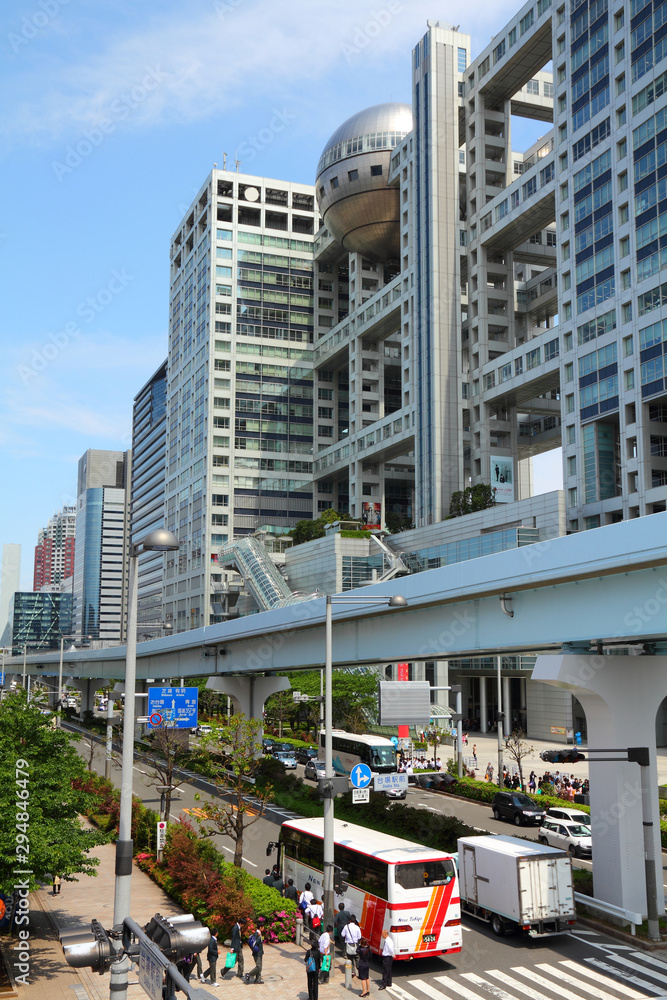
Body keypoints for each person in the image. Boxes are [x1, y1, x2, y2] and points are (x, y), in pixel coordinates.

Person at [305, 934, 322, 1000]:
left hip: (309, 969)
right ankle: (315, 997)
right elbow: (319, 961)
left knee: (309, 983)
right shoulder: (318, 952)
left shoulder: (309, 952)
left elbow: (305, 960)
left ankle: (310, 997)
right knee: (315, 983)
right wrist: (319, 968)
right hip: (316, 969)